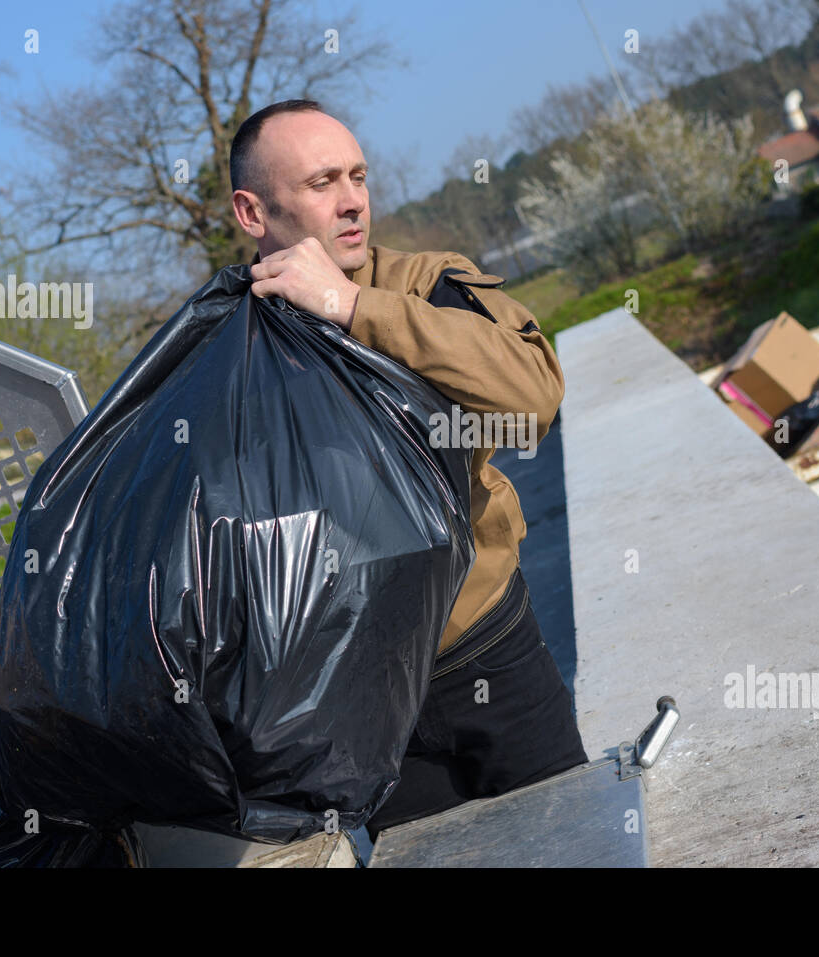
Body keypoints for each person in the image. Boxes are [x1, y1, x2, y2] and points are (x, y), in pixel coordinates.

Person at [228, 99, 588, 839]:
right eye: (323, 181)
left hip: (491, 651)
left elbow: (532, 400)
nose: (353, 199)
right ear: (253, 211)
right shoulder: (226, 352)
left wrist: (354, 306)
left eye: (358, 176)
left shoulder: (426, 286)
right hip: (360, 704)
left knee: (570, 841)